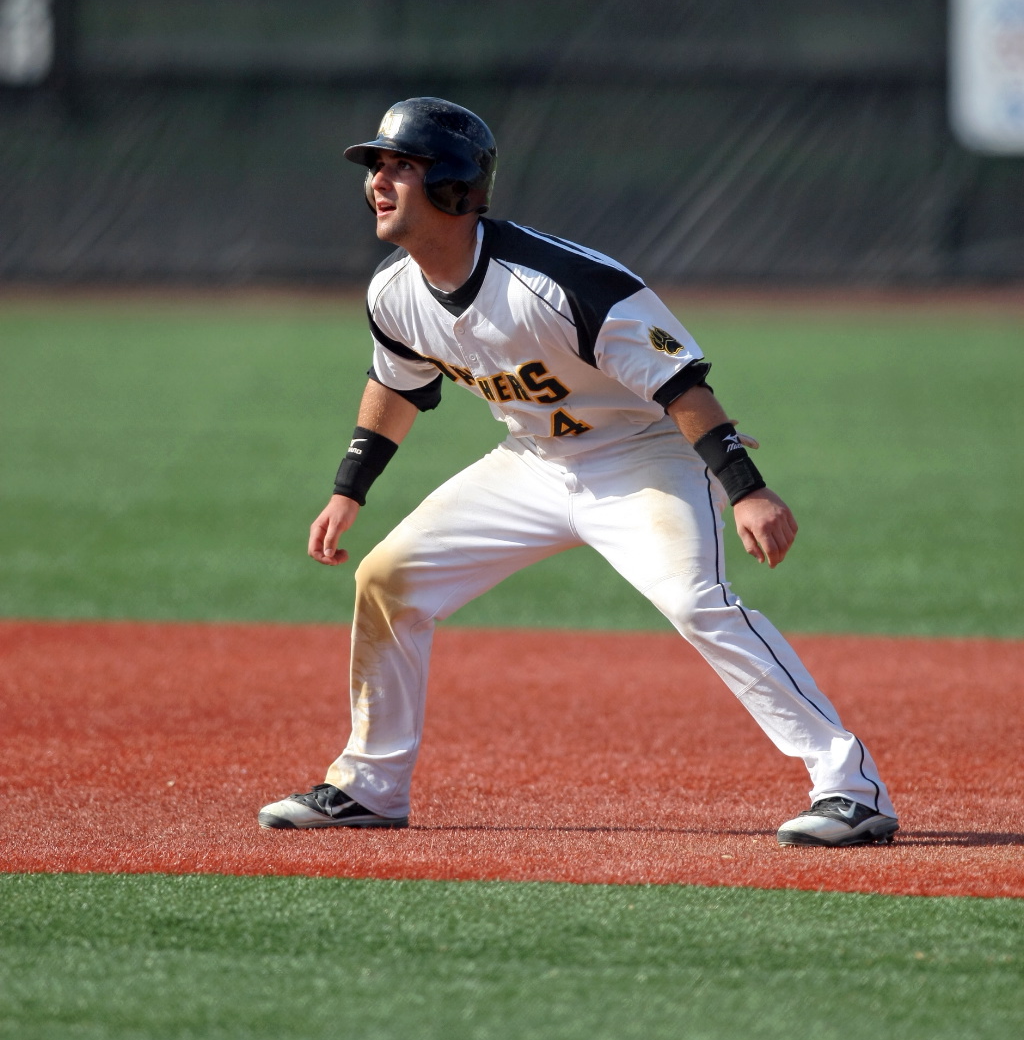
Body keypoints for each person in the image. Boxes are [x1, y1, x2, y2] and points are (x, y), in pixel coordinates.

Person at [258, 98, 898, 847]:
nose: (380, 181)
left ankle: (850, 787)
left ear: (456, 185)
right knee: (388, 580)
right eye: (377, 167)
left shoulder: (559, 282)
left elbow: (680, 384)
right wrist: (348, 488)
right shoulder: (393, 291)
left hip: (640, 457)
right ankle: (368, 786)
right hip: (530, 464)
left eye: (403, 165)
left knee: (699, 604)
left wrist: (746, 488)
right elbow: (398, 384)